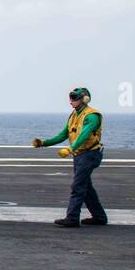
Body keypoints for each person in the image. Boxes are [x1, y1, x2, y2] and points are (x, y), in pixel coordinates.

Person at [33, 86, 108, 228]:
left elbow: (84, 134)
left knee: (78, 185)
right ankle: (99, 217)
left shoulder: (92, 116)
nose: (71, 101)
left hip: (90, 154)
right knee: (86, 187)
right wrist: (43, 143)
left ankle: (72, 218)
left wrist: (70, 148)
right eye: (70, 98)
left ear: (85, 99)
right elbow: (63, 135)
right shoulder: (74, 115)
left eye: (74, 98)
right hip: (79, 155)